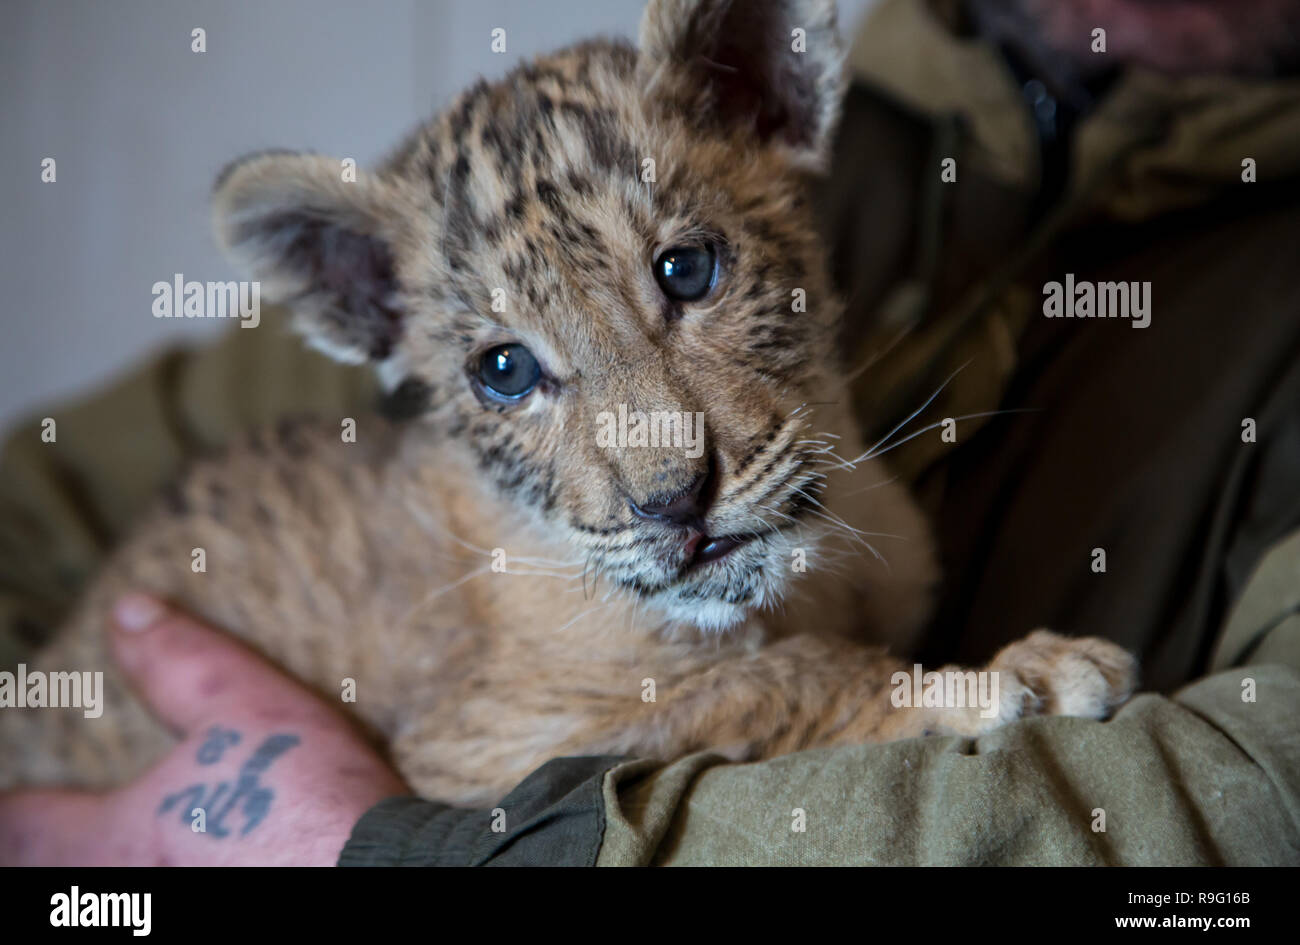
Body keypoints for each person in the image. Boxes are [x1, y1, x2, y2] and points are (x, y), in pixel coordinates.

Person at [2, 0, 1299, 864]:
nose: (661, 467)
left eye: (686, 278)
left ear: (768, 92)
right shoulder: (451, 228)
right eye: (511, 370)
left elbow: (1250, 808)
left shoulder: (695, 105)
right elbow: (483, 749)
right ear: (368, 308)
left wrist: (373, 849)